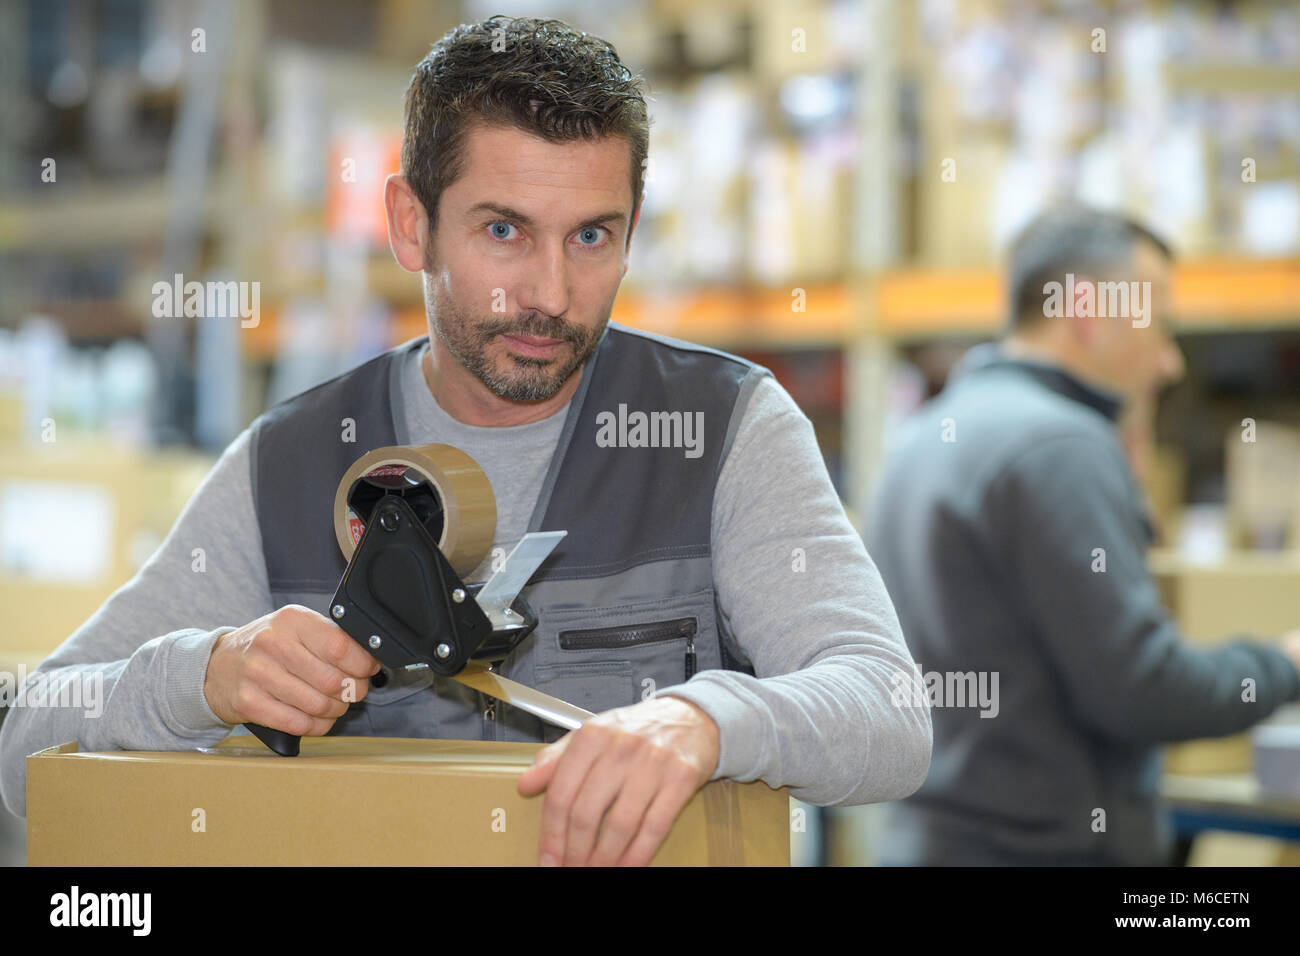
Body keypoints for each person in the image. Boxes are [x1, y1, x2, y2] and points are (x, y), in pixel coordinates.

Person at [0, 16, 930, 867]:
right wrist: (202, 677)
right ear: (412, 224)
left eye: (593, 237)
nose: (553, 294)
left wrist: (710, 719)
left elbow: (890, 717)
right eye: (504, 232)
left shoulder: (726, 430)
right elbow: (25, 742)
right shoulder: (286, 465)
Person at [867, 204, 1300, 866]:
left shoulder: (924, 436)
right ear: (1088, 310)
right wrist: (1283, 666)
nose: (1169, 361)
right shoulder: (1060, 445)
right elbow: (1139, 690)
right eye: (1158, 322)